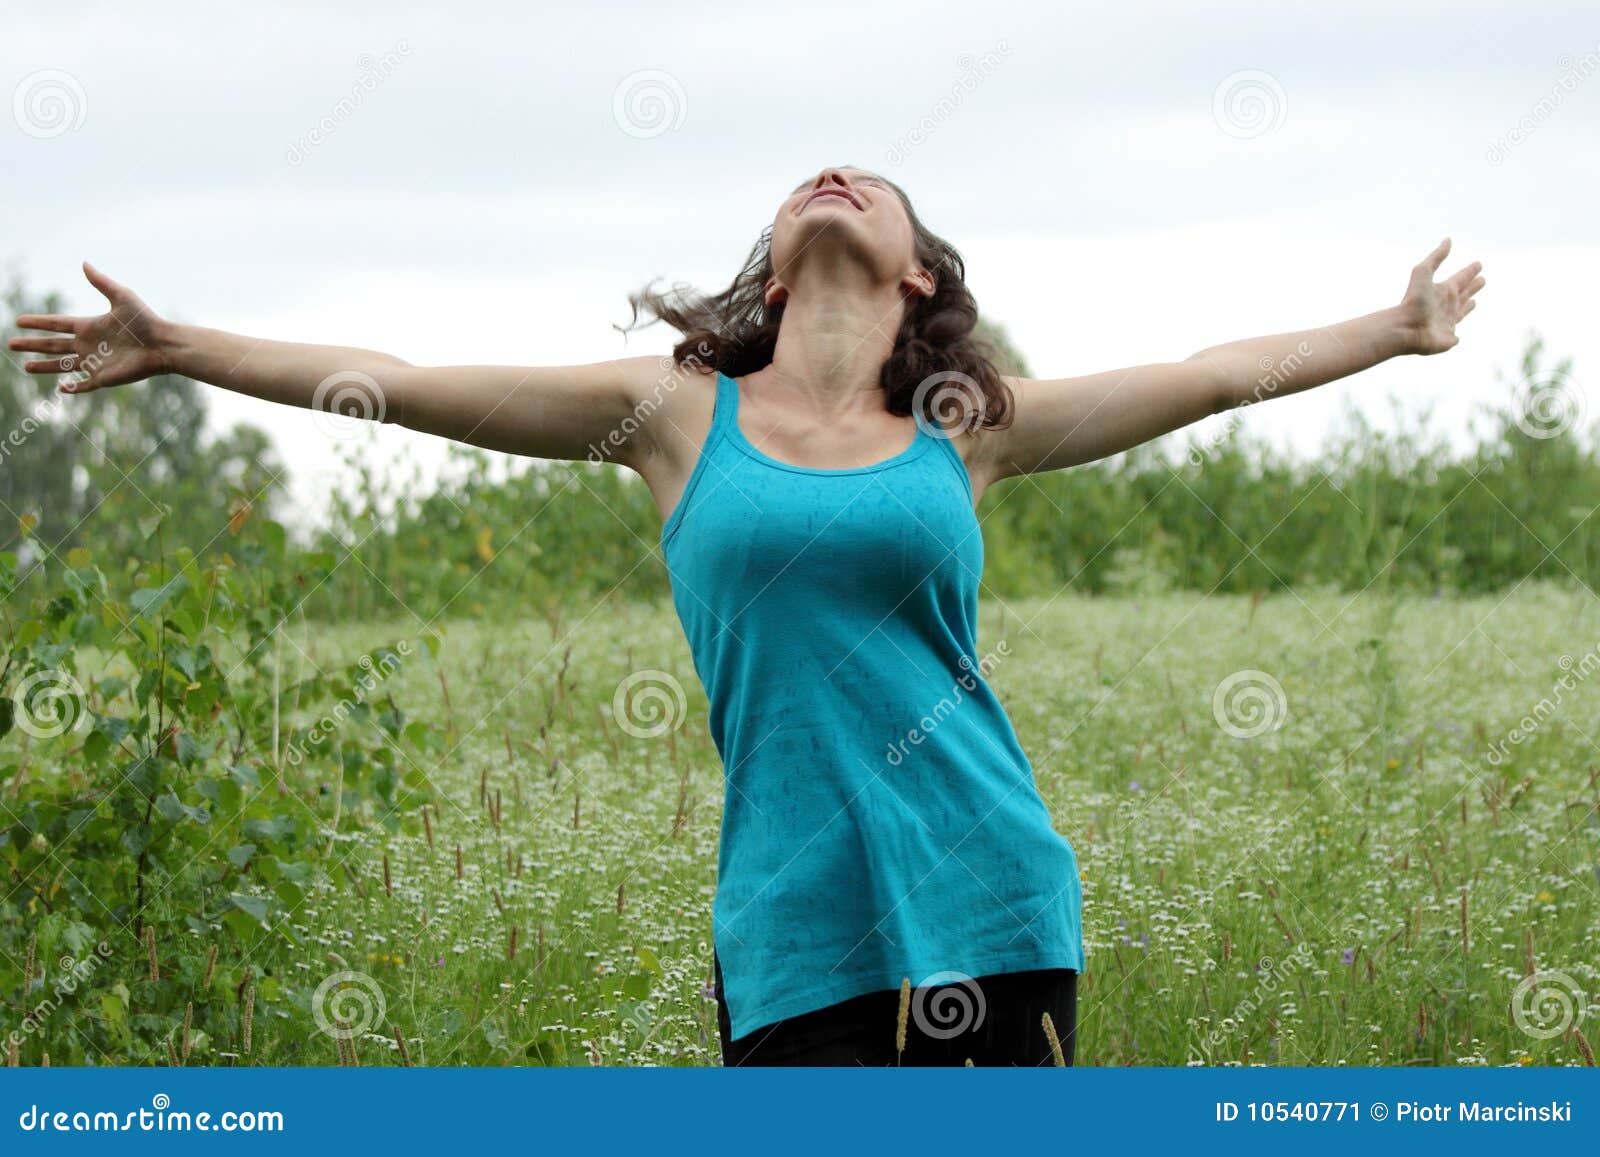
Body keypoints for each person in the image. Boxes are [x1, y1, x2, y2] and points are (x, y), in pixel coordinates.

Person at [10, 166, 1484, 1066]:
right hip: (788, 925)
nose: (830, 175)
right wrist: (183, 344)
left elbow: (1213, 372)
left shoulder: (964, 423)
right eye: (805, 178)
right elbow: (398, 378)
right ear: (777, 265)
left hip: (995, 893)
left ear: (917, 270)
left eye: (866, 177)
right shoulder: (670, 412)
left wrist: (1394, 329)